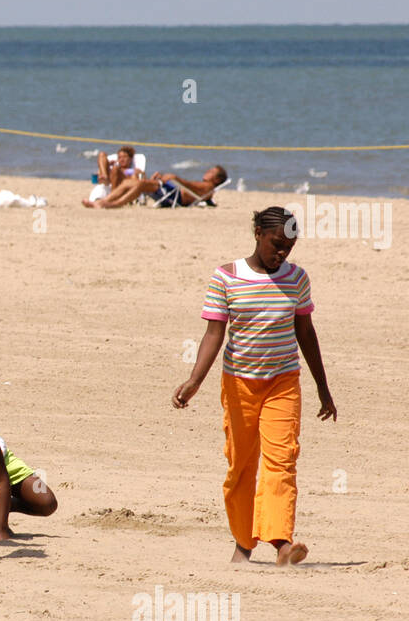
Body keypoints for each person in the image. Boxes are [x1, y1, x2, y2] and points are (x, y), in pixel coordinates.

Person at [172, 206, 336, 565]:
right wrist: (194, 380)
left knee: (282, 461)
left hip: (283, 382)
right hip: (239, 385)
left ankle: (281, 543)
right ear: (258, 233)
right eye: (276, 244)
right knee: (241, 466)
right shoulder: (226, 277)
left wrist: (323, 388)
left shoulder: (296, 279)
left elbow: (306, 333)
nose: (282, 253)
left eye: (289, 247)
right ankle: (243, 544)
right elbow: (214, 334)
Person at [83, 165, 228, 209]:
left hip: (173, 197)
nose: (206, 172)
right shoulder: (205, 185)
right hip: (171, 192)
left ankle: (114, 204)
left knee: (140, 184)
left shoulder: (209, 187)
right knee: (129, 182)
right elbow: (191, 187)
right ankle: (104, 201)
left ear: (217, 179)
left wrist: (176, 178)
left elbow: (191, 187)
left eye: (211, 172)